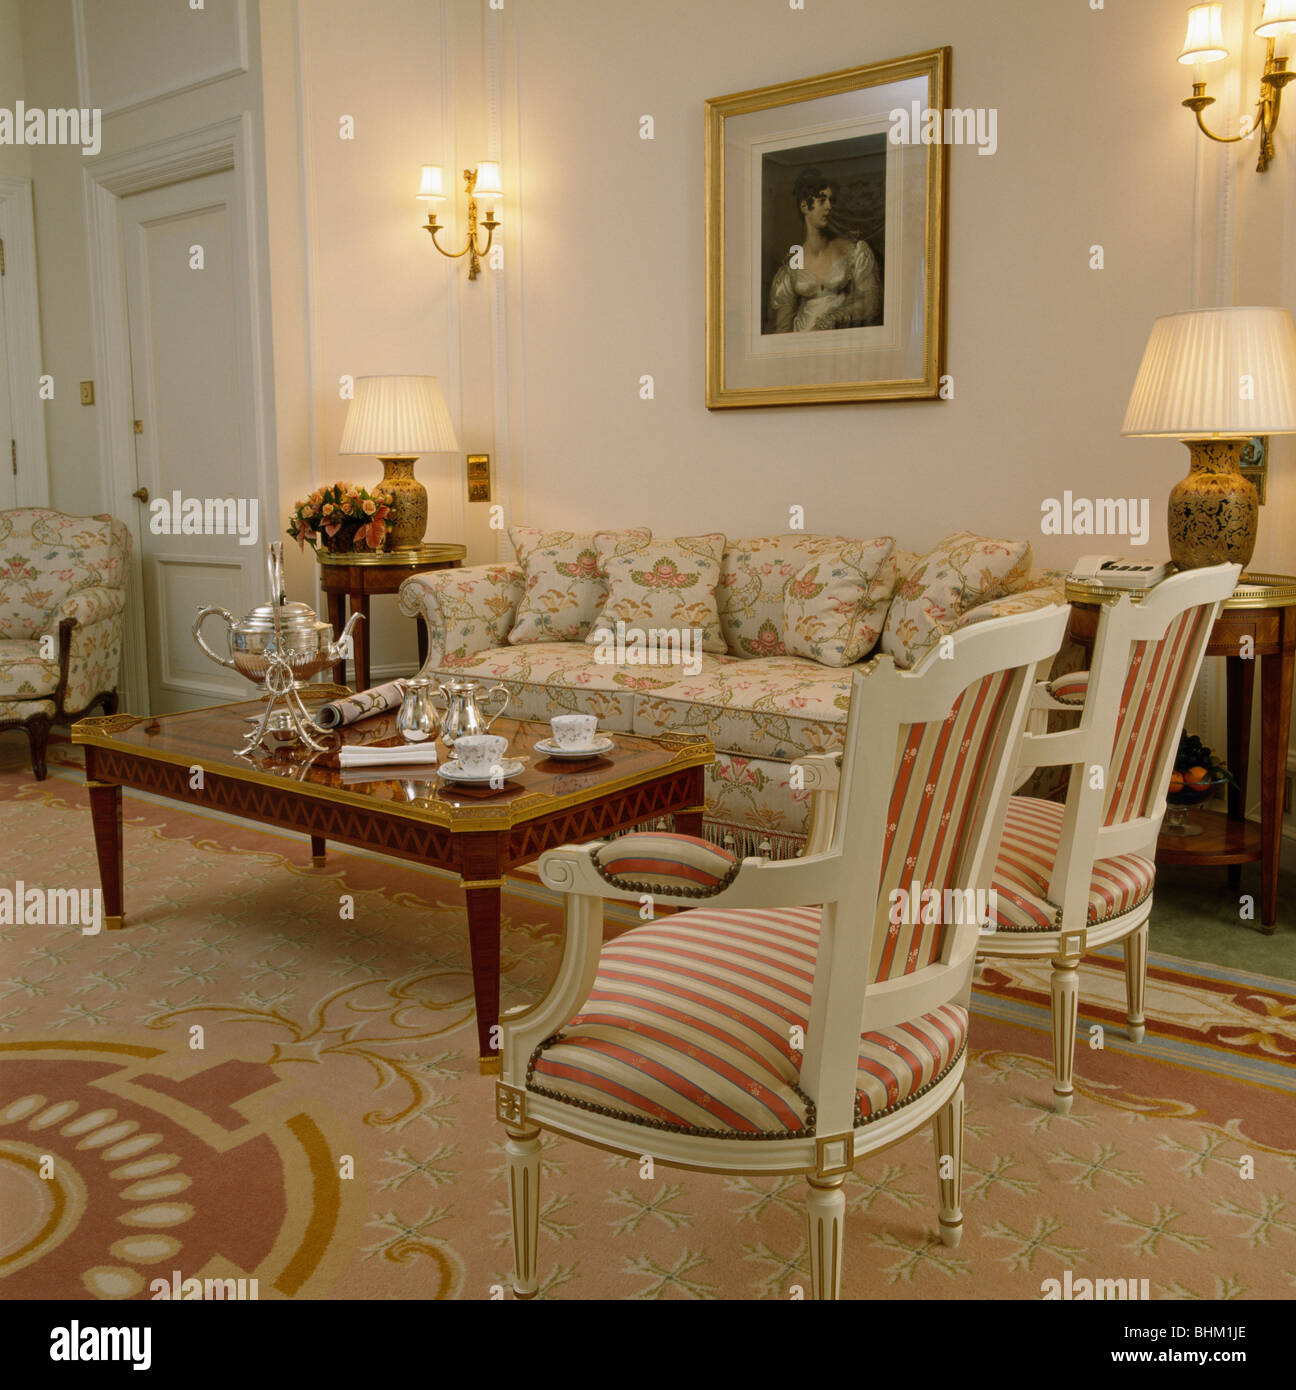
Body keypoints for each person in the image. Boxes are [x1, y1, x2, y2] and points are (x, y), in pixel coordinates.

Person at [766, 167, 882, 333]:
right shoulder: (792, 264)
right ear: (805, 207)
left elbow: (870, 302)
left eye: (831, 200)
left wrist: (836, 317)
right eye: (822, 201)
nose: (829, 207)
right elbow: (782, 326)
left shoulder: (853, 249)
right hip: (802, 345)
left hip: (841, 343)